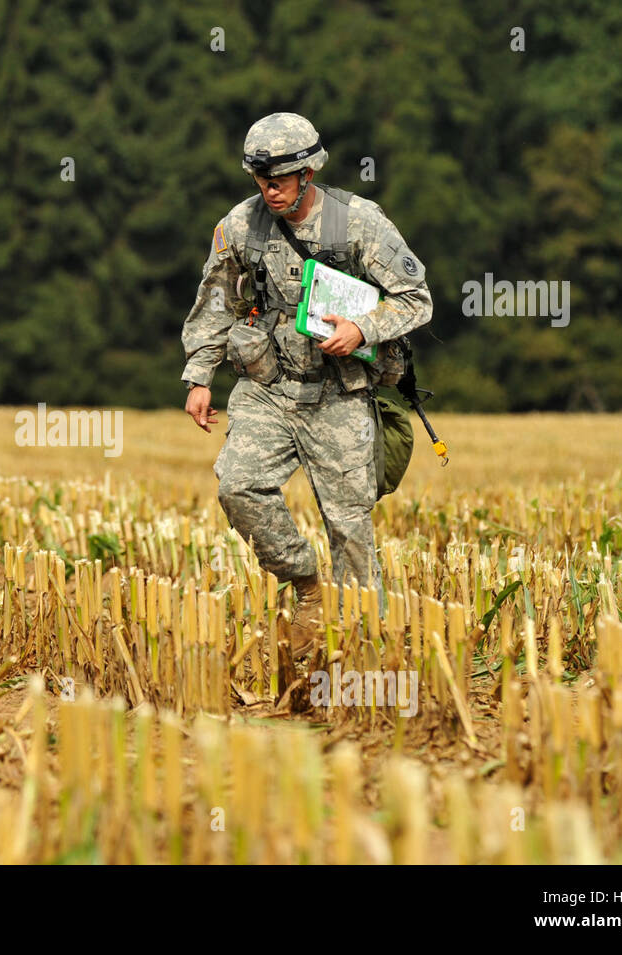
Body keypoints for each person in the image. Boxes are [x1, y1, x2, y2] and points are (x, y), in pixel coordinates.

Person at [180, 112, 432, 659]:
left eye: (280, 178)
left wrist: (363, 327)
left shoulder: (359, 222)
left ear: (310, 173)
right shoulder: (241, 226)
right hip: (268, 388)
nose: (269, 189)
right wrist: (199, 376)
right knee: (237, 487)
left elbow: (417, 297)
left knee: (349, 524)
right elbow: (215, 303)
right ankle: (307, 584)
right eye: (260, 178)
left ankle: (363, 649)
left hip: (340, 392)